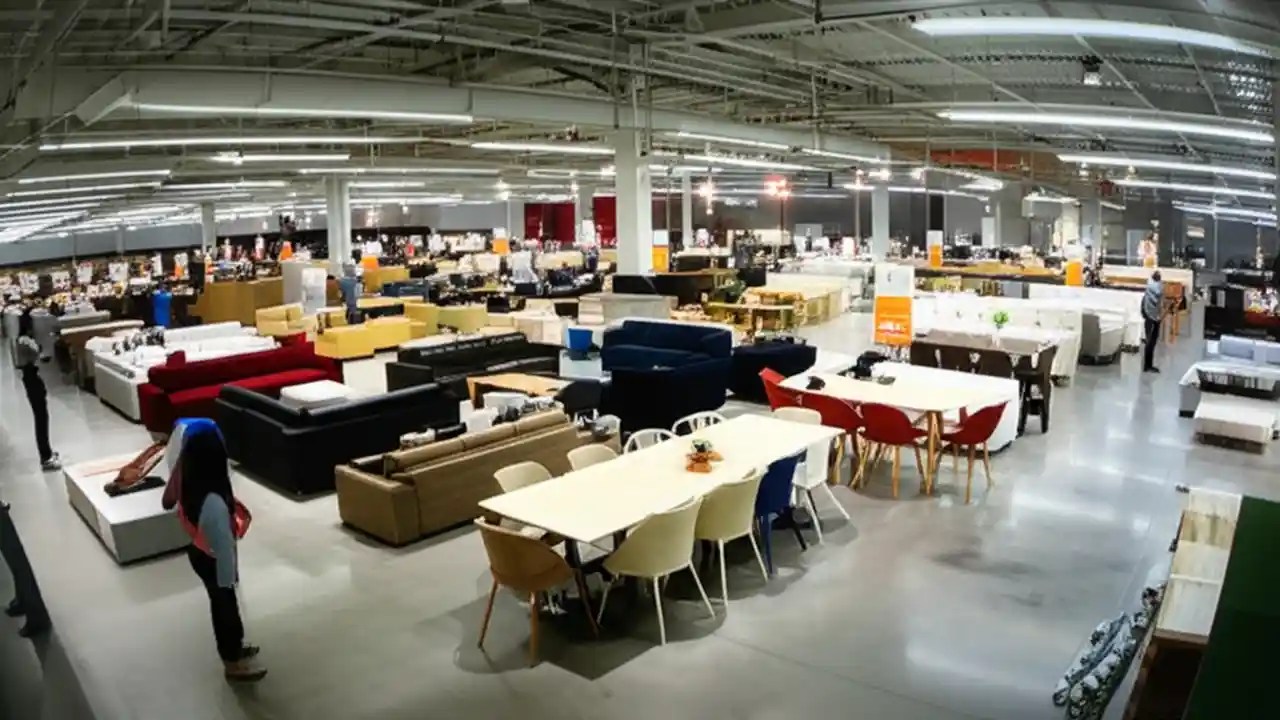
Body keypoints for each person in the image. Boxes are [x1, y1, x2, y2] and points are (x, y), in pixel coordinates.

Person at [161, 420, 266, 682]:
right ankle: (232, 661)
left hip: (197, 549)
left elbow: (167, 501)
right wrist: (231, 574)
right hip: (213, 555)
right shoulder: (215, 501)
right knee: (224, 606)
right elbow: (222, 544)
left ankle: (236, 648)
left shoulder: (189, 477)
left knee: (222, 603)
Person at [15, 309, 60, 471]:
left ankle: (47, 453)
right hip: (32, 379)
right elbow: (41, 355)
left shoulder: (21, 339)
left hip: (31, 378)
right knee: (41, 419)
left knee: (41, 418)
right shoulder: (25, 340)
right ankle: (45, 457)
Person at [1141, 270, 1164, 373]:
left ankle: (1148, 365)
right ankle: (1148, 365)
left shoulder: (1149, 287)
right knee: (1151, 342)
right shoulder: (1158, 288)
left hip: (1149, 315)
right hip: (1153, 317)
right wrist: (1158, 316)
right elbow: (1158, 304)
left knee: (1150, 341)